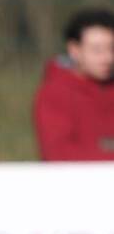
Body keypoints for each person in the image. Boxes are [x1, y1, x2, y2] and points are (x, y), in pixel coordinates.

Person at [33, 8, 114, 161]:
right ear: (74, 50)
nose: (108, 57)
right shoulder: (54, 94)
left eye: (112, 48)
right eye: (97, 50)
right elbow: (59, 154)